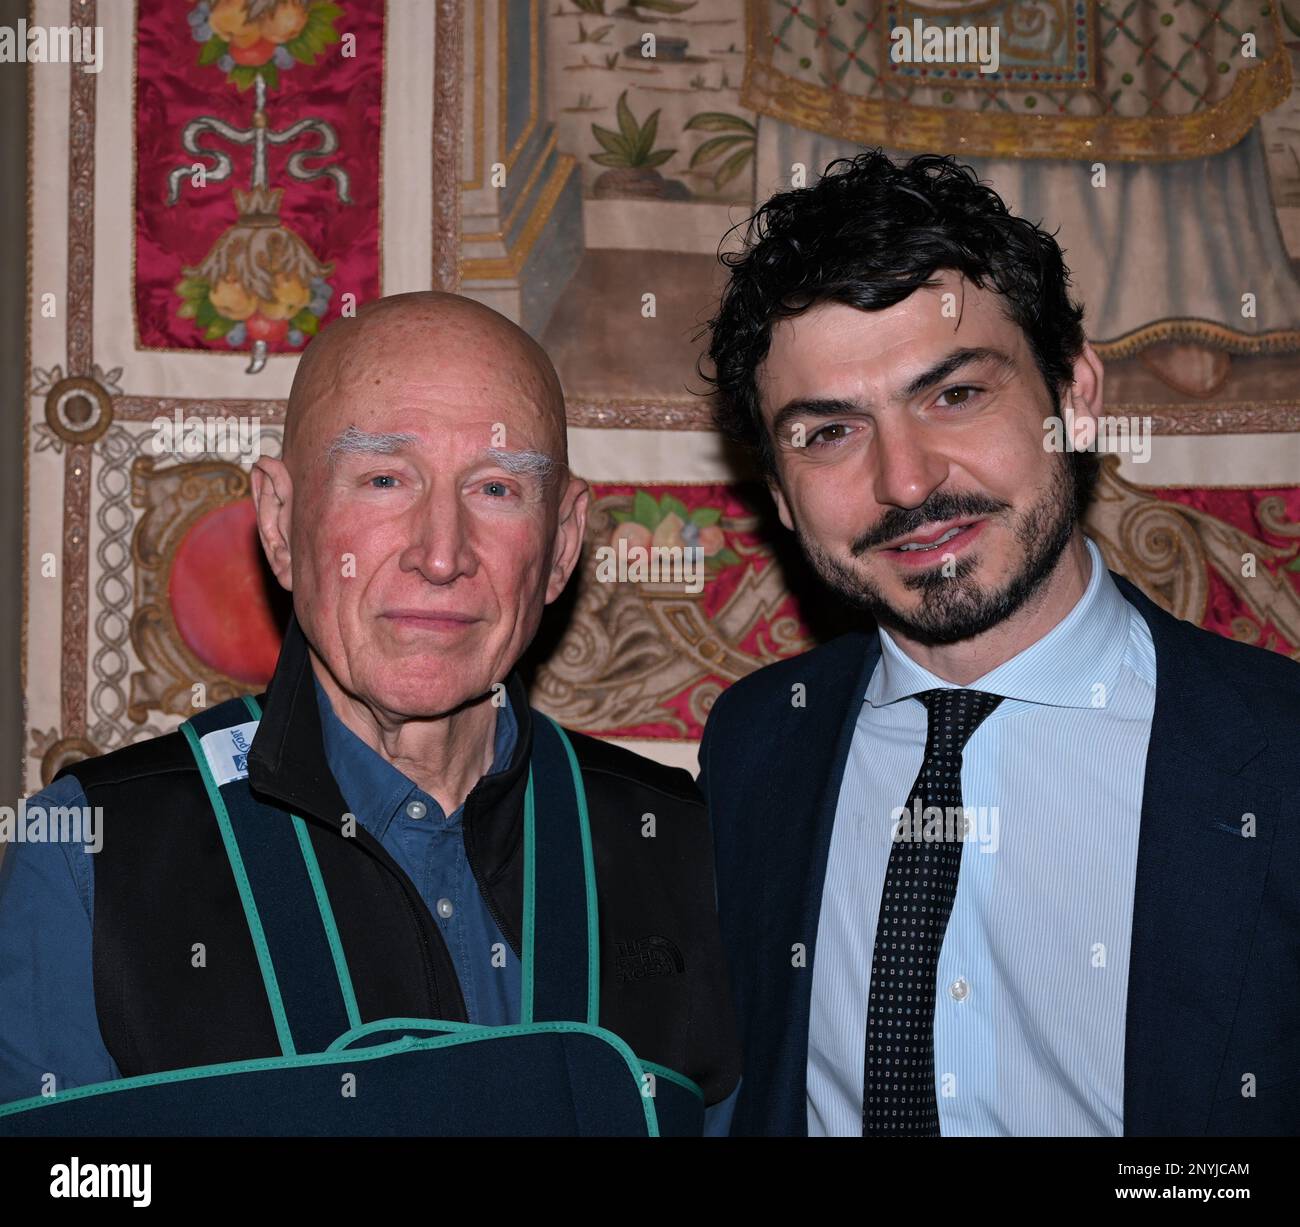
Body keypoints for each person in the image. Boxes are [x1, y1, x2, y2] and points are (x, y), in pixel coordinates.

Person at [0, 291, 739, 1136]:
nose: (439, 553)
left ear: (563, 541)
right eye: (384, 479)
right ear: (280, 523)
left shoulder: (688, 850)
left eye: (496, 488)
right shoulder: (88, 855)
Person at [696, 150, 1300, 1137]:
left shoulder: (1276, 761)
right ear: (776, 491)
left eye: (954, 395)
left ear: (1074, 394)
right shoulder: (758, 745)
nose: (905, 480)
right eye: (829, 432)